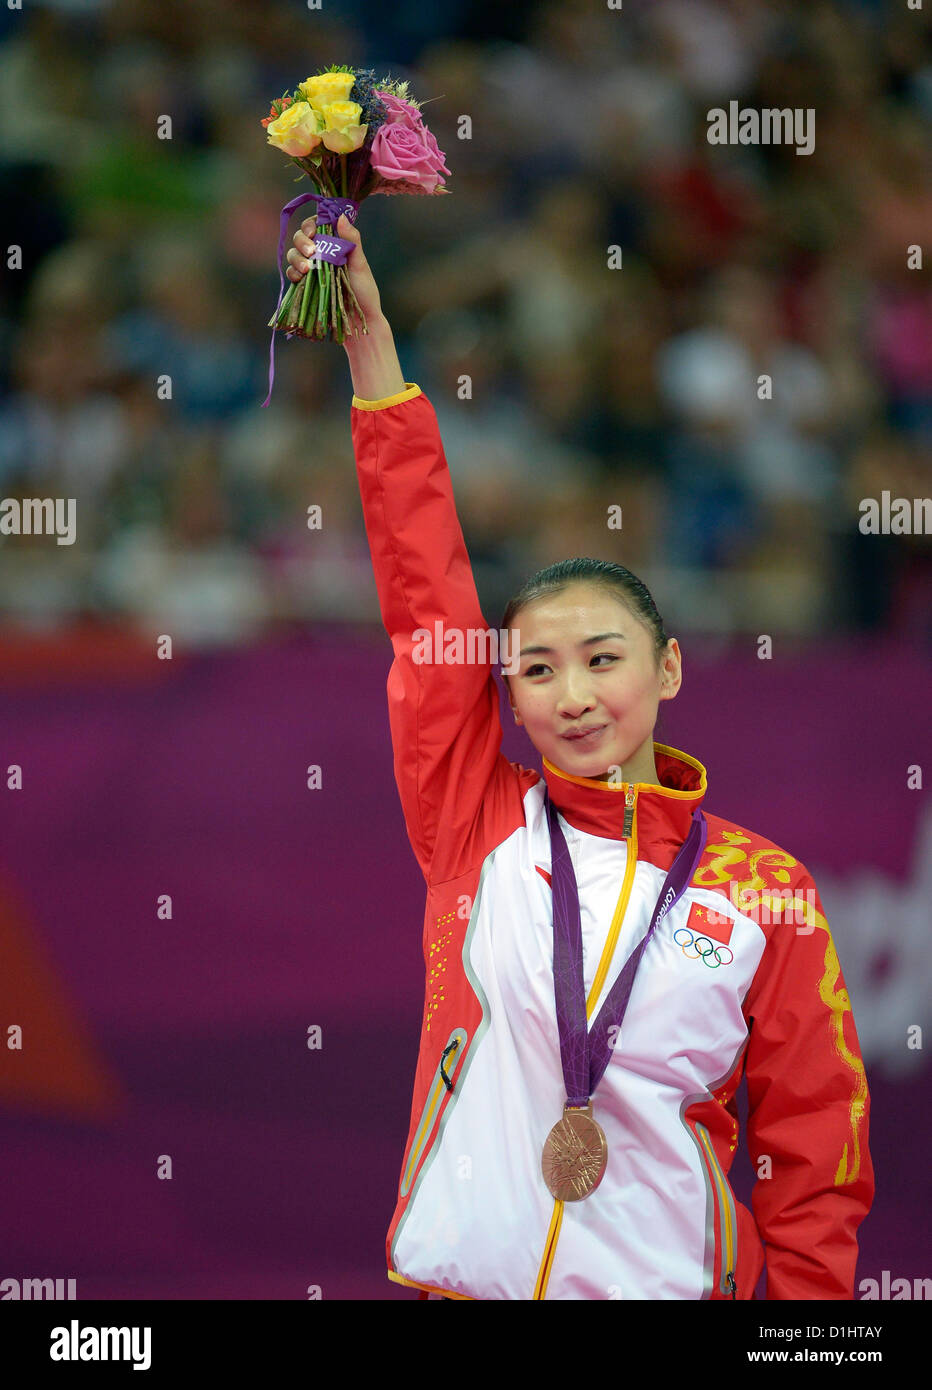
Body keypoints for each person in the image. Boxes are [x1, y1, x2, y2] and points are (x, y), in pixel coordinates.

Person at [284, 214, 874, 1301]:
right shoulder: (475, 820)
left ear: (668, 672)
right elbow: (427, 605)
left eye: (602, 659)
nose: (570, 694)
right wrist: (371, 351)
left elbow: (812, 1146)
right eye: (536, 669)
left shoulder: (761, 888)